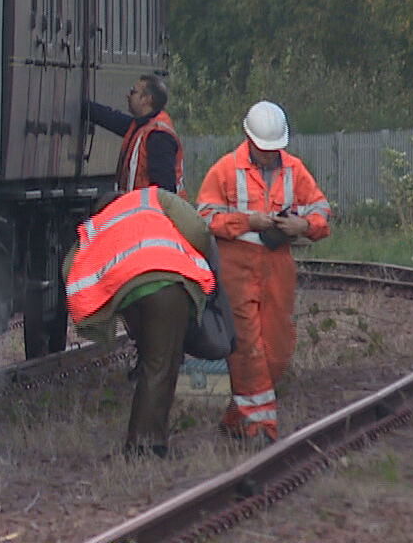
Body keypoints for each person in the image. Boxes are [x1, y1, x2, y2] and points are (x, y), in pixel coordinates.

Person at [194, 100, 332, 442]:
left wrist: (303, 225)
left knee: (278, 349)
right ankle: (261, 428)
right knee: (248, 347)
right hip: (236, 264)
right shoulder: (224, 170)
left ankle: (237, 418)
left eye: (274, 149)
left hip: (277, 264)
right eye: (262, 149)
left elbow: (321, 211)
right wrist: (247, 221)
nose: (269, 155)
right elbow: (205, 219)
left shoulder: (295, 170)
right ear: (248, 138)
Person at [64, 186, 217, 457]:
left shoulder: (95, 226)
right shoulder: (152, 198)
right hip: (167, 286)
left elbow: (69, 266)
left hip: (127, 297)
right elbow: (198, 231)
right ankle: (144, 447)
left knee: (153, 363)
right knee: (162, 365)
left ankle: (149, 440)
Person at [85, 73, 183, 193]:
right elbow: (112, 118)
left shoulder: (159, 136)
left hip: (149, 210)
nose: (128, 95)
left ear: (146, 99)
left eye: (133, 92)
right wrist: (85, 107)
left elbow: (164, 190)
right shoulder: (141, 126)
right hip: (140, 208)